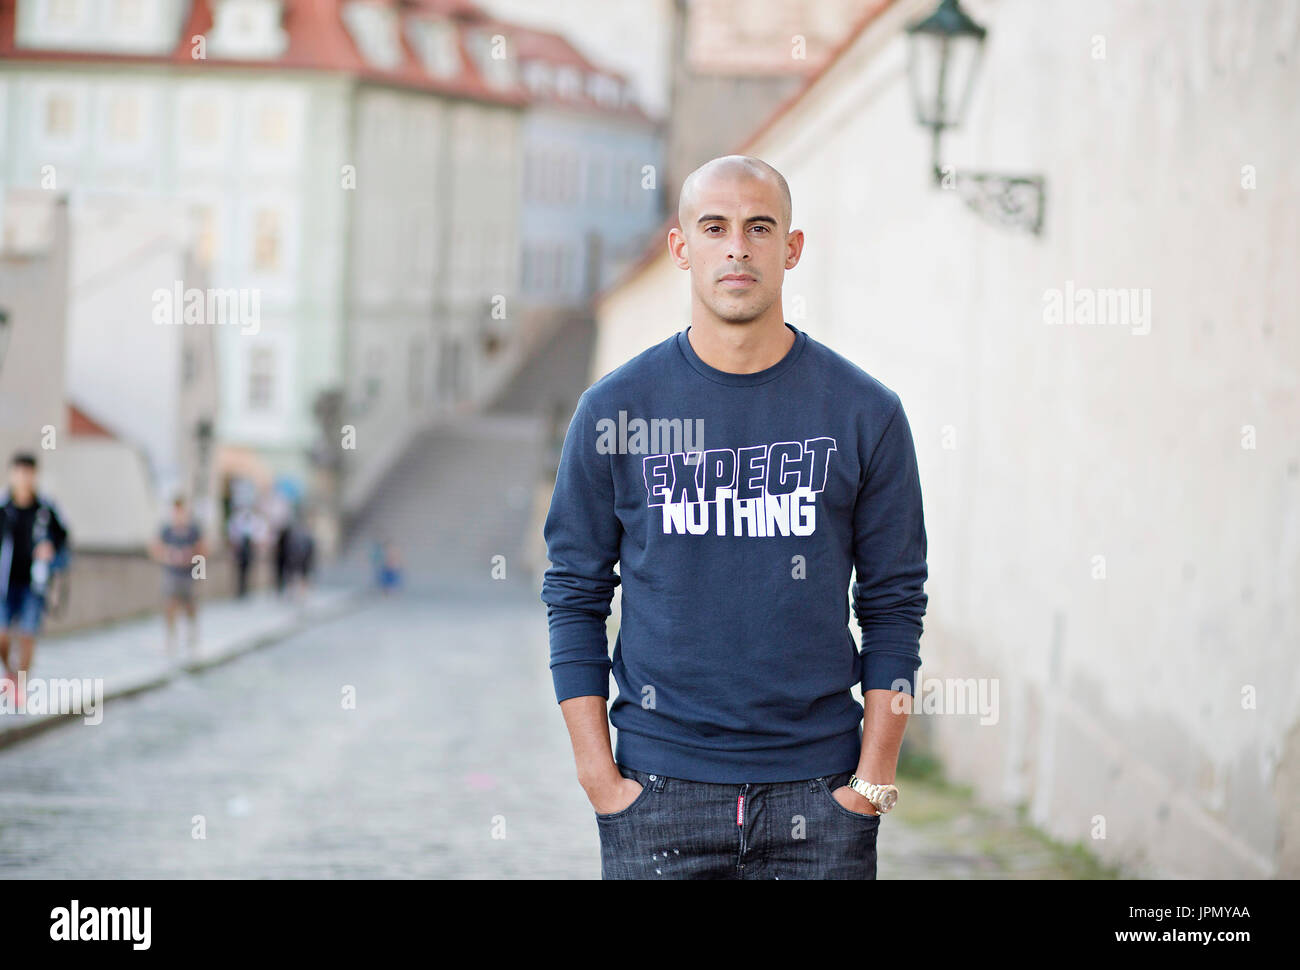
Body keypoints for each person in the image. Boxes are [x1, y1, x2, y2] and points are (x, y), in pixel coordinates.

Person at [540, 156, 928, 880]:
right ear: (681, 247)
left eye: (759, 227)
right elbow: (574, 594)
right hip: (659, 791)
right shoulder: (615, 413)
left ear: (792, 248)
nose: (737, 247)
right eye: (714, 228)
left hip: (821, 791)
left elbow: (894, 604)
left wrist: (870, 786)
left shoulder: (865, 413)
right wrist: (602, 780)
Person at [0, 452, 72, 701]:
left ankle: (19, 686)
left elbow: (64, 541)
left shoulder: (46, 509)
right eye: (18, 472)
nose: (23, 478)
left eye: (27, 473)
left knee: (28, 635)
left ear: (34, 475)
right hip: (4, 585)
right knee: (2, 635)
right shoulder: (3, 508)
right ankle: (9, 673)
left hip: (34, 585)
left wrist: (51, 550)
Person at [149, 494, 207, 656]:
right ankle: (171, 638)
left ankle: (191, 634)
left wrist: (192, 558)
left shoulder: (193, 529)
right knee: (170, 604)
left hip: (190, 573)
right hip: (172, 572)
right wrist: (169, 555)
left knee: (190, 605)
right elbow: (155, 548)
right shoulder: (167, 529)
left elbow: (203, 550)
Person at [226, 502, 265, 598]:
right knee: (240, 569)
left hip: (249, 546)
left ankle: (246, 589)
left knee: (248, 569)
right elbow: (232, 533)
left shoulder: (254, 519)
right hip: (240, 547)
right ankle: (240, 589)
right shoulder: (236, 519)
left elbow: (258, 533)